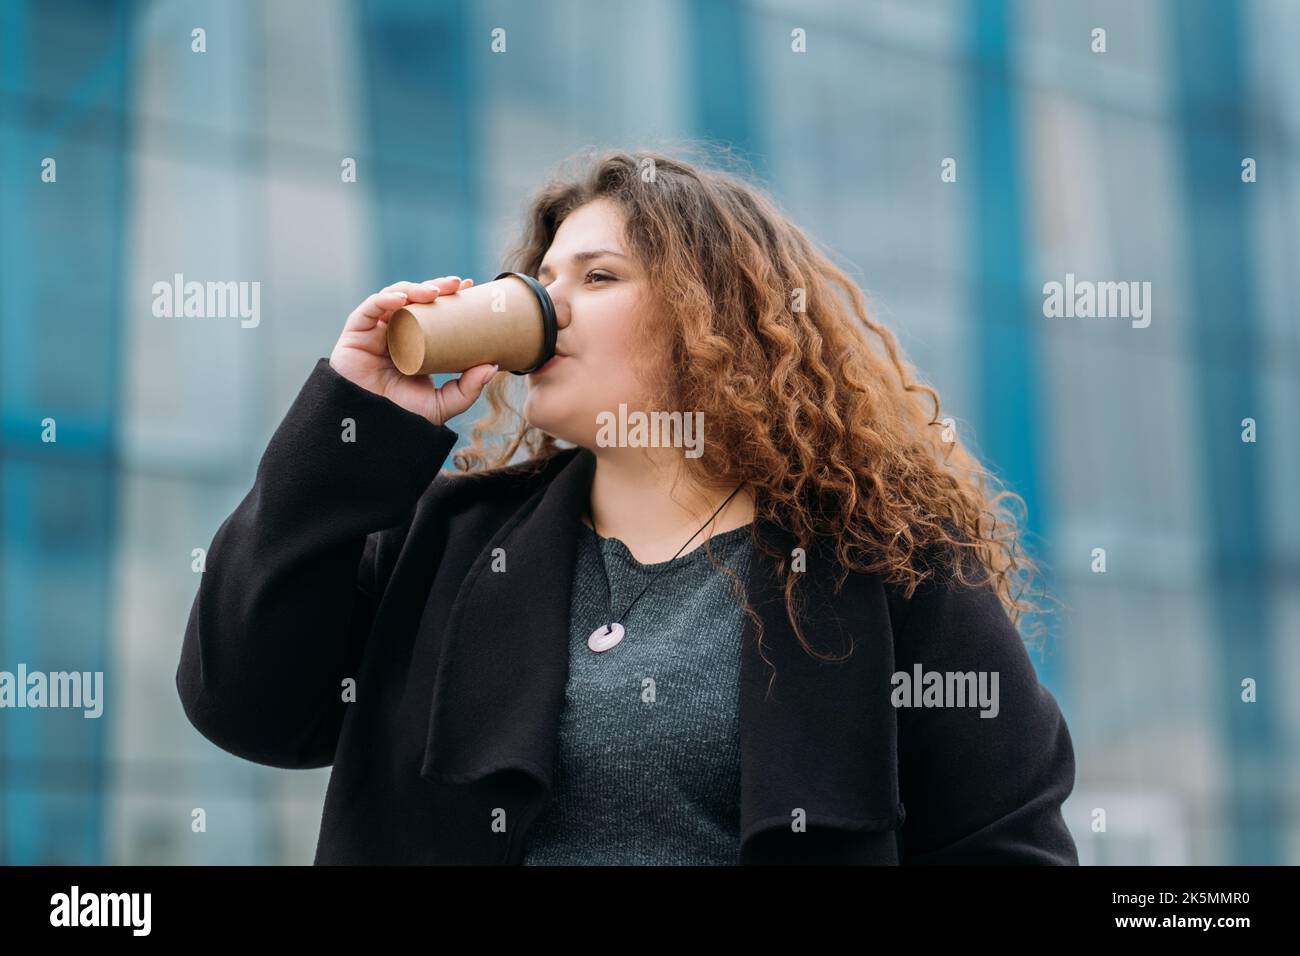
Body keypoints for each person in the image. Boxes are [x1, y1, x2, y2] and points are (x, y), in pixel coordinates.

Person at [177, 148, 1079, 865]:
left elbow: (1003, 845)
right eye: (543, 276)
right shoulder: (451, 541)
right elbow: (246, 706)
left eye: (597, 278)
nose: (542, 304)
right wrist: (355, 419)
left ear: (712, 319)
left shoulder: (882, 563)